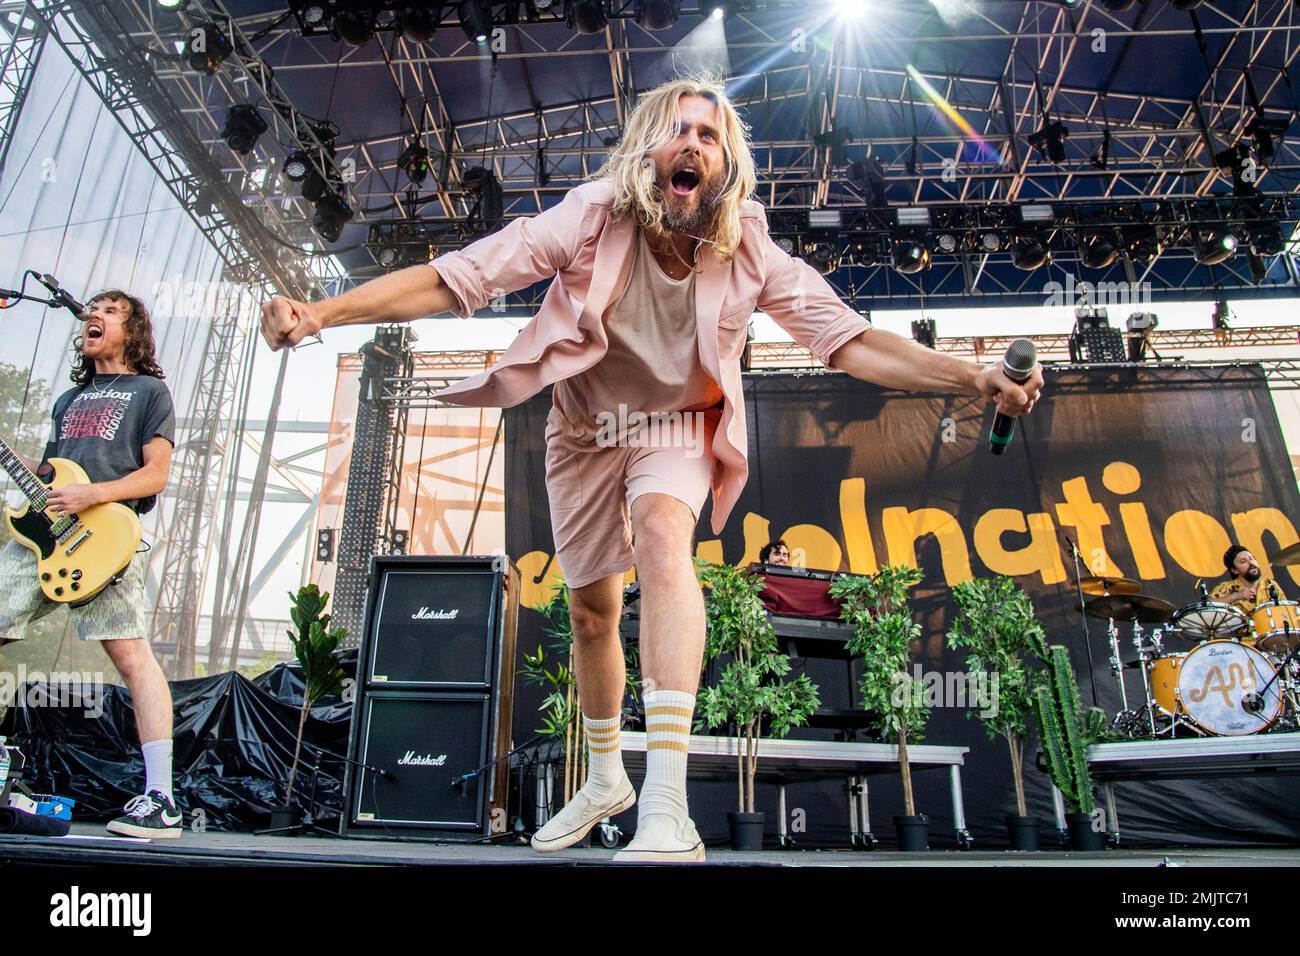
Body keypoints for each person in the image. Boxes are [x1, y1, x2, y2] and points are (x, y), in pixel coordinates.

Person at [260, 75, 1043, 862]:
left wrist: (971, 377)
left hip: (680, 425)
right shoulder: (592, 216)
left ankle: (667, 803)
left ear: (725, 162)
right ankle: (607, 777)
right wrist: (323, 312)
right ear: (647, 151)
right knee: (594, 614)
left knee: (665, 540)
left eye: (708, 135)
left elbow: (850, 339)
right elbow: (460, 276)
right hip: (586, 430)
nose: (692, 145)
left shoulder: (750, 246)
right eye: (677, 131)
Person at [0, 291, 180, 839]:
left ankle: (161, 798)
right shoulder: (68, 399)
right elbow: (55, 474)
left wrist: (92, 495)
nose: (93, 316)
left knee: (133, 659)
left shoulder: (150, 391)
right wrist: (20, 460)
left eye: (109, 310)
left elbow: (155, 476)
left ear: (134, 330)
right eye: (91, 310)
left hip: (107, 537)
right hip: (43, 538)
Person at [1210, 545, 1285, 616]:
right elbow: (1207, 606)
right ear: (1234, 570)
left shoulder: (1270, 584)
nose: (1251, 563)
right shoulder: (1226, 587)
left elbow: (1285, 609)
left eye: (1252, 558)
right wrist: (1236, 596)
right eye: (1243, 561)